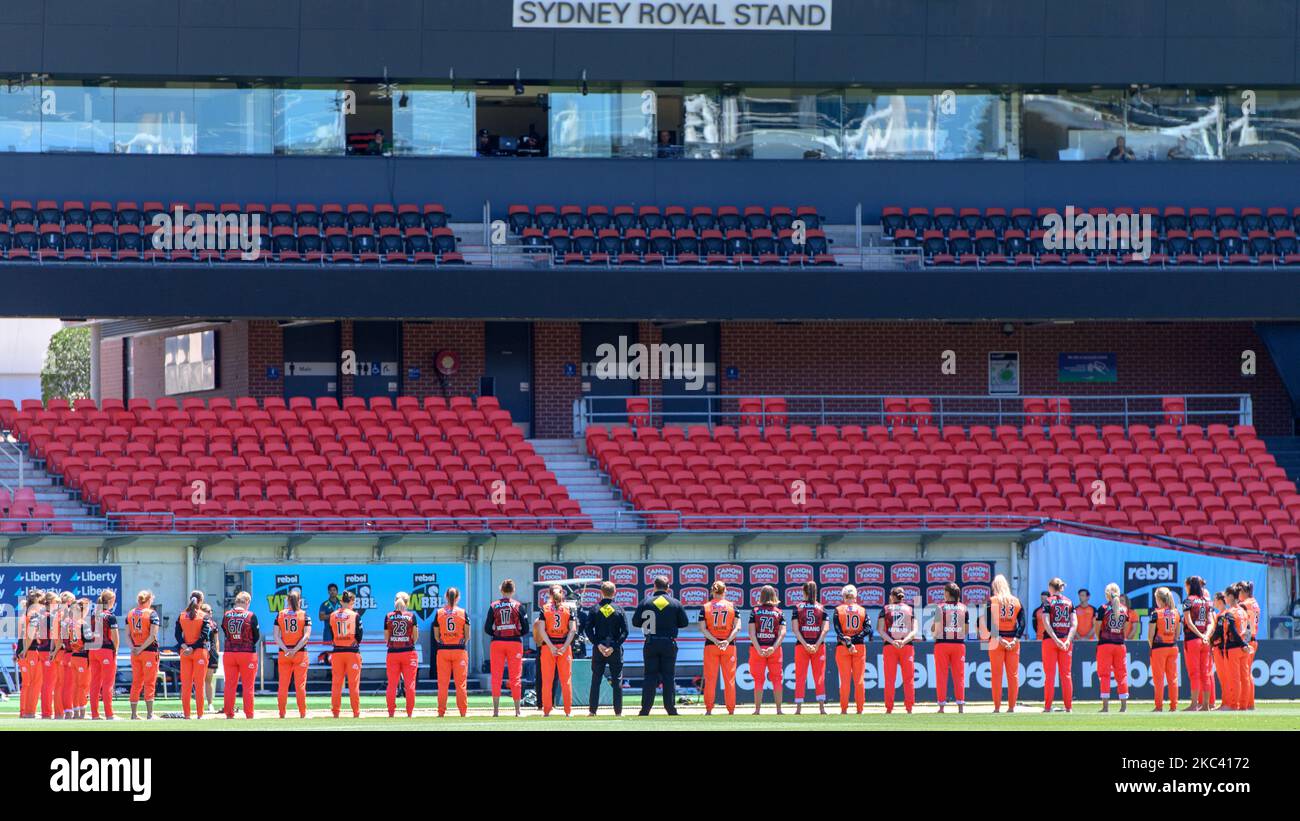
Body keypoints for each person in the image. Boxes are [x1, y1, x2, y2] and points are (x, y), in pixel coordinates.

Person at [632, 575, 688, 716]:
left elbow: (635, 622)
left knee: (649, 676)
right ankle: (670, 709)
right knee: (668, 677)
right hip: (669, 642)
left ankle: (645, 710)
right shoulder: (675, 603)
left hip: (651, 642)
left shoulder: (646, 602)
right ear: (668, 587)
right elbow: (684, 623)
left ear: (654, 586)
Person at [484, 579, 528, 717]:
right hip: (514, 643)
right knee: (515, 677)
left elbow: (487, 628)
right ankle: (517, 711)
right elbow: (526, 628)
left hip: (497, 643)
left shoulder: (493, 606)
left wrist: (497, 633)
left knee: (496, 677)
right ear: (513, 590)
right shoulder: (519, 606)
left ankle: (496, 711)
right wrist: (516, 633)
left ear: (501, 590)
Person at [583, 580, 628, 716]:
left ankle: (592, 711)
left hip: (599, 649)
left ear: (601, 593)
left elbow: (588, 629)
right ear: (614, 592)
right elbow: (625, 631)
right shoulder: (619, 609)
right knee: (617, 680)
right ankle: (618, 712)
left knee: (596, 680)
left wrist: (598, 644)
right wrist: (614, 646)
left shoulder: (595, 609)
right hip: (614, 649)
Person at [980, 574, 1023, 713]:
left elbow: (988, 623)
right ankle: (1011, 707)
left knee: (996, 675)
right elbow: (1022, 623)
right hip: (1013, 641)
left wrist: (999, 639)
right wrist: (1015, 638)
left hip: (995, 641)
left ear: (995, 586)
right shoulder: (1016, 601)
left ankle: (997, 707)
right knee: (1013, 675)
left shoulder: (992, 601)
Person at [699, 581, 740, 716]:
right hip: (728, 646)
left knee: (710, 679)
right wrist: (727, 641)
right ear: (725, 591)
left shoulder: (705, 607)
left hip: (711, 645)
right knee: (729, 679)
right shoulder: (732, 607)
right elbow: (738, 627)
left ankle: (709, 709)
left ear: (712, 591)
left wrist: (716, 640)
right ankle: (731, 710)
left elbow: (703, 629)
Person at [538, 583, 577, 716]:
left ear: (550, 594)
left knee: (547, 680)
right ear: (563, 594)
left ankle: (547, 711)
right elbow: (573, 630)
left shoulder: (545, 609)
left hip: (548, 647)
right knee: (566, 680)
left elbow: (541, 630)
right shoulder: (569, 609)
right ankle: (568, 711)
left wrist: (551, 646)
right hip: (564, 647)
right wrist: (565, 647)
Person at [1039, 577, 1077, 713]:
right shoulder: (1069, 602)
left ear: (1050, 588)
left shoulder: (1048, 602)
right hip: (1066, 641)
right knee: (1066, 675)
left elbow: (1046, 622)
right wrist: (1067, 640)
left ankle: (1048, 707)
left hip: (1050, 641)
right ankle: (1068, 707)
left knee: (1050, 675)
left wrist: (1056, 639)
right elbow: (1074, 624)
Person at [748, 585, 786, 716]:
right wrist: (773, 648)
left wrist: (759, 649)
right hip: (774, 649)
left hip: (758, 649)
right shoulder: (779, 612)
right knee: (777, 679)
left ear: (761, 596)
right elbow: (782, 633)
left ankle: (757, 710)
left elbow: (751, 633)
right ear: (774, 596)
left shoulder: (755, 611)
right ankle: (779, 710)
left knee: (758, 680)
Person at [792, 580, 830, 715]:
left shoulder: (797, 607)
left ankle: (798, 709)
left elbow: (795, 630)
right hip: (818, 646)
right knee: (819, 677)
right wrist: (816, 644)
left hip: (801, 646)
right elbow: (825, 630)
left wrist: (805, 644)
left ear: (804, 592)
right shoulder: (822, 607)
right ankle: (822, 708)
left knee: (800, 677)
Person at [221, 591, 260, 720]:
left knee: (230, 685)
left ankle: (229, 713)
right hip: (247, 652)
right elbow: (256, 636)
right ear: (247, 602)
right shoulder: (250, 615)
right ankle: (249, 714)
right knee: (248, 685)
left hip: (230, 652)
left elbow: (225, 632)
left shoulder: (226, 615)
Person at [833, 584, 871, 715]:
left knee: (844, 680)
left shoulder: (838, 610)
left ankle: (844, 709)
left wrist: (848, 641)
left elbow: (838, 631)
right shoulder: (862, 610)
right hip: (859, 646)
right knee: (859, 680)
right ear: (855, 596)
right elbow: (868, 629)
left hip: (843, 646)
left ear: (844, 596)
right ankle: (860, 710)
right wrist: (855, 638)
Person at [879, 587, 917, 714]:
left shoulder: (885, 609)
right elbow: (914, 631)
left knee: (890, 678)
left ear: (891, 597)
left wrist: (892, 641)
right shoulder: (910, 609)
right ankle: (909, 708)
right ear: (903, 597)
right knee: (909, 678)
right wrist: (904, 641)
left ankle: (889, 708)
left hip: (890, 646)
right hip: (906, 645)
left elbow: (880, 630)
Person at [931, 582, 968, 713]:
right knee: (959, 675)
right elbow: (966, 630)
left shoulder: (940, 607)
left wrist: (933, 633)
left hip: (942, 644)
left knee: (941, 675)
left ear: (947, 593)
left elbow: (935, 629)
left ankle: (941, 706)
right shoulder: (964, 608)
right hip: (959, 644)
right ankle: (960, 707)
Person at [275, 591, 312, 719]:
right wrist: (295, 650)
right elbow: (306, 636)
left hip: (284, 653)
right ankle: (302, 713)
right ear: (299, 601)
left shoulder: (280, 614)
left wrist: (286, 650)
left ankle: (281, 713)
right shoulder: (304, 615)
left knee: (283, 685)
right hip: (300, 653)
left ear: (287, 600)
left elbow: (276, 636)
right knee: (300, 685)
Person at [1216, 585, 1254, 711]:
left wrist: (1242, 644)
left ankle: (1234, 705)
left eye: (1226, 596)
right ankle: (1243, 706)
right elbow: (1249, 629)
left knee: (1235, 679)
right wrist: (1245, 643)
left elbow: (1232, 631)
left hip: (1233, 648)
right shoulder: (1243, 611)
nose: (1225, 599)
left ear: (1231, 596)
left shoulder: (1230, 613)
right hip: (1243, 648)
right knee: (1245, 678)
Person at [1094, 583, 1131, 713]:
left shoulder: (1103, 608)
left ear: (1107, 594)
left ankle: (1105, 707)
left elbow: (1097, 627)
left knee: (1104, 675)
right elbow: (1126, 627)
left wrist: (1100, 636)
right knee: (1122, 674)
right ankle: (1124, 706)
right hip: (1120, 644)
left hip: (1105, 644)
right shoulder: (1125, 609)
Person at [175, 591, 211, 720]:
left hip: (185, 652)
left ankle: (187, 714)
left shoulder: (181, 615)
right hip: (199, 652)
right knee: (199, 684)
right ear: (201, 601)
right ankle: (200, 714)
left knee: (186, 684)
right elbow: (204, 636)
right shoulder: (204, 616)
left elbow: (177, 635)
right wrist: (192, 647)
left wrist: (184, 645)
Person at [382, 592, 420, 718]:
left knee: (392, 684)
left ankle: (391, 712)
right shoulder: (411, 616)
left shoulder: (388, 616)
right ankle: (409, 712)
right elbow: (415, 637)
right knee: (410, 684)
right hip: (409, 652)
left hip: (393, 653)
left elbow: (386, 638)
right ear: (407, 602)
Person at [434, 588, 470, 718]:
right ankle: (463, 712)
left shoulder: (439, 613)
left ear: (445, 596)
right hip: (459, 650)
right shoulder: (462, 613)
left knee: (443, 684)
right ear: (458, 597)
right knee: (460, 684)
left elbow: (436, 635)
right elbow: (467, 635)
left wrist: (444, 640)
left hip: (443, 650)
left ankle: (441, 712)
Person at [1182, 575, 1216, 712]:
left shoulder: (1188, 601)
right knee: (1205, 673)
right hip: (1205, 641)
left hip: (1193, 640)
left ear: (1190, 585)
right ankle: (1206, 705)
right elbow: (1211, 622)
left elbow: (1189, 622)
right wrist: (1206, 636)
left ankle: (1194, 704)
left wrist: (1200, 635)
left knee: (1194, 673)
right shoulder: (1207, 601)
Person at [125, 589, 160, 720]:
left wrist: (133, 647)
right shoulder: (152, 614)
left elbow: (127, 635)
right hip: (148, 651)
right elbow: (153, 635)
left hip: (135, 652)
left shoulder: (130, 613)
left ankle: (134, 714)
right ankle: (150, 714)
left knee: (136, 682)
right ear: (149, 600)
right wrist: (141, 649)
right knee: (149, 682)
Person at [329, 590, 363, 718]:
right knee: (354, 684)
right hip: (352, 652)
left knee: (337, 683)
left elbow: (331, 633)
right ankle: (356, 712)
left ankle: (336, 712)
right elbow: (360, 636)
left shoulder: (333, 615)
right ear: (352, 602)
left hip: (337, 652)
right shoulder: (355, 615)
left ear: (341, 601)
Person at [1148, 586, 1182, 712]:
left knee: (1158, 678)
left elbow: (1150, 636)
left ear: (1158, 599)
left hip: (1159, 648)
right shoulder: (1176, 613)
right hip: (1172, 647)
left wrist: (1153, 646)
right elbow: (1178, 634)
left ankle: (1159, 706)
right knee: (1173, 678)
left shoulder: (1156, 614)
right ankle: (1174, 706)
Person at [87, 589, 118, 720]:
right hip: (106, 650)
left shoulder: (93, 616)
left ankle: (94, 714)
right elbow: (115, 637)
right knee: (107, 683)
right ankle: (109, 714)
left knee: (94, 683)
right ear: (111, 601)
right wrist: (115, 650)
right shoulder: (110, 616)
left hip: (93, 651)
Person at [63, 598, 93, 720]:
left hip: (74, 656)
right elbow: (89, 642)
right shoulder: (82, 623)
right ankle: (82, 712)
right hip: (82, 657)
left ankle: (76, 711)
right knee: (83, 686)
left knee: (76, 686)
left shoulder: (70, 624)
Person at [1238, 580, 1259, 710]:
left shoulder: (1244, 604)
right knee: (1247, 673)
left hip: (1247, 640)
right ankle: (1249, 703)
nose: (1237, 595)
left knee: (1244, 674)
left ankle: (1246, 703)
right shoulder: (1254, 602)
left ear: (1244, 592)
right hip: (1253, 638)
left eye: (1239, 592)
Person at [1210, 591, 1231, 711]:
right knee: (1225, 677)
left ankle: (1227, 703)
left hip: (1220, 648)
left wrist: (1209, 640)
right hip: (1223, 648)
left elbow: (1218, 633)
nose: (1213, 602)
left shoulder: (1222, 615)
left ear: (1219, 600)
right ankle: (1226, 702)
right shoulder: (1224, 614)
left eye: (1214, 599)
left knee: (1224, 678)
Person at [200, 602, 220, 715]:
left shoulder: (213, 624)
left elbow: (216, 640)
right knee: (198, 679)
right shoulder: (198, 622)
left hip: (210, 653)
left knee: (208, 679)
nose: (210, 613)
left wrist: (216, 652)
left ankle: (210, 704)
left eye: (211, 611)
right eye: (208, 611)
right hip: (200, 651)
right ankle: (199, 703)